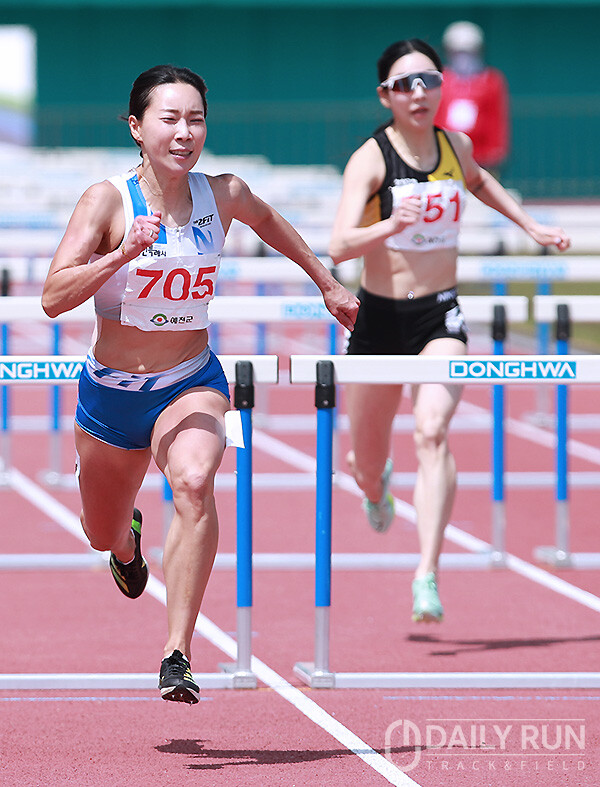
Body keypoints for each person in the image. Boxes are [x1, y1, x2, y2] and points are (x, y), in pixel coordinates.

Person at [42, 64, 359, 703]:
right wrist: (120, 255)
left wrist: (326, 283)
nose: (185, 132)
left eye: (196, 119)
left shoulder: (226, 193)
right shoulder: (105, 200)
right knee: (99, 532)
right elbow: (53, 296)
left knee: (192, 480)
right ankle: (126, 546)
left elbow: (273, 225)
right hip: (111, 394)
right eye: (170, 118)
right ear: (136, 127)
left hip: (192, 379)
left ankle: (177, 653)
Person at [328, 39, 569, 623]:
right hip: (379, 318)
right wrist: (389, 223)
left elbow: (481, 182)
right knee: (364, 462)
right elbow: (338, 246)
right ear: (385, 94)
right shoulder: (372, 158)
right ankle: (375, 485)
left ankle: (426, 574)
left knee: (432, 429)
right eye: (405, 84)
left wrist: (531, 225)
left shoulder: (454, 147)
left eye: (428, 81)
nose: (419, 94)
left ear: (441, 87)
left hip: (439, 315)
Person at [435, 21, 510, 175]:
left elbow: (497, 119)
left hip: (481, 157)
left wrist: (495, 153)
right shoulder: (440, 79)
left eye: (469, 51)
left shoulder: (491, 80)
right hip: (445, 153)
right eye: (456, 52)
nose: (463, 57)